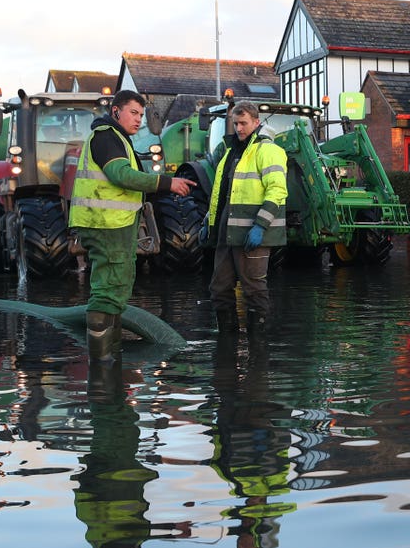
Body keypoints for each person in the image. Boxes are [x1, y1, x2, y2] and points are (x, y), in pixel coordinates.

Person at [70, 89, 193, 360]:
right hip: (105, 224)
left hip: (114, 223)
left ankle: (110, 359)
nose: (139, 120)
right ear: (116, 112)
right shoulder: (106, 137)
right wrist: (167, 182)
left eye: (141, 115)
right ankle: (102, 369)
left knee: (115, 289)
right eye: (133, 113)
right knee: (106, 292)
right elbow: (121, 175)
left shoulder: (118, 140)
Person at [206, 100, 287, 334]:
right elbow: (222, 194)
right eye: (235, 123)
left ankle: (258, 345)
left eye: (243, 123)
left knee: (254, 290)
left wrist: (260, 225)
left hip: (253, 234)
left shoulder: (268, 151)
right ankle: (227, 343)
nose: (239, 128)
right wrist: (207, 221)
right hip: (226, 233)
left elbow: (277, 190)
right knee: (219, 289)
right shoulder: (231, 153)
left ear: (256, 122)